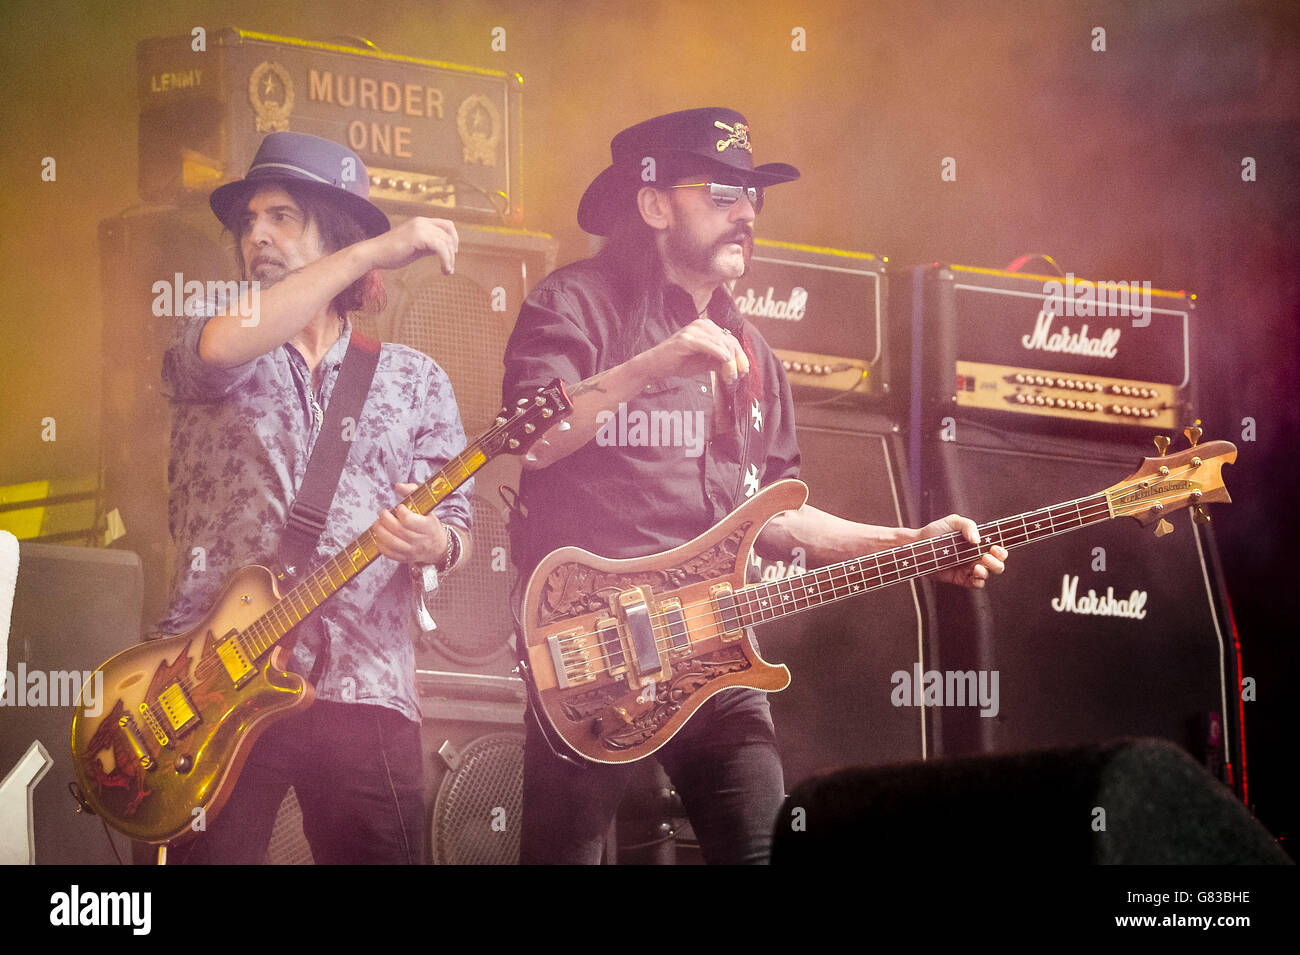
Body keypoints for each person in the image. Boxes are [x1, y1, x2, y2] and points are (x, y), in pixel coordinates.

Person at [501, 108, 1008, 864]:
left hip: (717, 650)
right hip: (593, 649)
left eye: (753, 196)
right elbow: (532, 442)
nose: (746, 213)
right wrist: (649, 367)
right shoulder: (573, 302)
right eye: (722, 192)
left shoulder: (755, 354)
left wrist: (913, 544)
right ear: (653, 204)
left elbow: (772, 514)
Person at [159, 132, 472, 864]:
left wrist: (435, 543)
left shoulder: (415, 378)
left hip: (365, 685)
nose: (256, 235)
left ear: (336, 230)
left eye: (282, 217)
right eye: (249, 221)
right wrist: (371, 252)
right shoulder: (215, 326)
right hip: (216, 677)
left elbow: (456, 524)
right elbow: (221, 350)